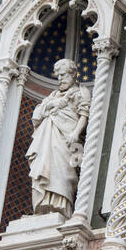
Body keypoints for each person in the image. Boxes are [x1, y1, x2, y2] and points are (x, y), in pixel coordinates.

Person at [25, 58, 91, 217]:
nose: (60, 79)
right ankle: (43, 206)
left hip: (67, 138)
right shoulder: (53, 95)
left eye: (63, 75)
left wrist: (75, 133)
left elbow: (84, 115)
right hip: (47, 137)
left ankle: (62, 206)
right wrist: (48, 107)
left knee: (63, 170)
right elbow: (37, 116)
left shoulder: (82, 92)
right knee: (44, 167)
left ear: (73, 74)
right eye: (58, 76)